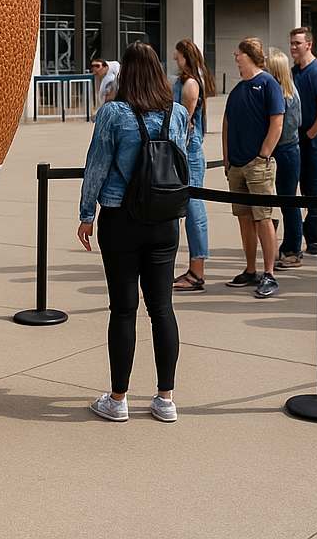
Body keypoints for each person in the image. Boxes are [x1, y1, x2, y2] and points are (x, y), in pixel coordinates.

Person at [77, 42, 190, 422]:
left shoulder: (113, 113)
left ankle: (118, 398)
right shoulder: (176, 112)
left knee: (123, 309)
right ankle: (165, 398)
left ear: (124, 72)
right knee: (162, 308)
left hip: (121, 216)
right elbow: (183, 160)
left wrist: (85, 212)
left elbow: (96, 164)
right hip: (164, 218)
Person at [221, 37, 285, 298]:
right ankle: (250, 269)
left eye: (238, 53)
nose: (235, 57)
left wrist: (263, 154)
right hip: (236, 165)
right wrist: (227, 159)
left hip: (258, 164)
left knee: (263, 217)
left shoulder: (268, 84)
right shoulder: (238, 89)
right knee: (244, 219)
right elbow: (227, 123)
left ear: (248, 55)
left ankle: (269, 273)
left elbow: (277, 122)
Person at [171, 39, 215, 292]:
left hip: (189, 151)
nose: (175, 60)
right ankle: (193, 268)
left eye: (178, 56)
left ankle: (197, 270)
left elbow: (185, 122)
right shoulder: (184, 82)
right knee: (187, 207)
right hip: (183, 149)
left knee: (194, 208)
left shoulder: (190, 84)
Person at [290, 27, 317, 257]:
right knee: (300, 188)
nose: (293, 47)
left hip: (314, 141)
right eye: (292, 43)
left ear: (309, 44)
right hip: (298, 139)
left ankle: (315, 238)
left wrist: (307, 137)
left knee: (312, 189)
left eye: (297, 43)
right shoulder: (294, 72)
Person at [266, 49, 305, 270]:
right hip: (286, 149)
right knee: (283, 200)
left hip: (285, 150)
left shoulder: (285, 94)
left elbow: (288, 126)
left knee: (289, 201)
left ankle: (292, 248)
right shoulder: (287, 91)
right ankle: (286, 245)